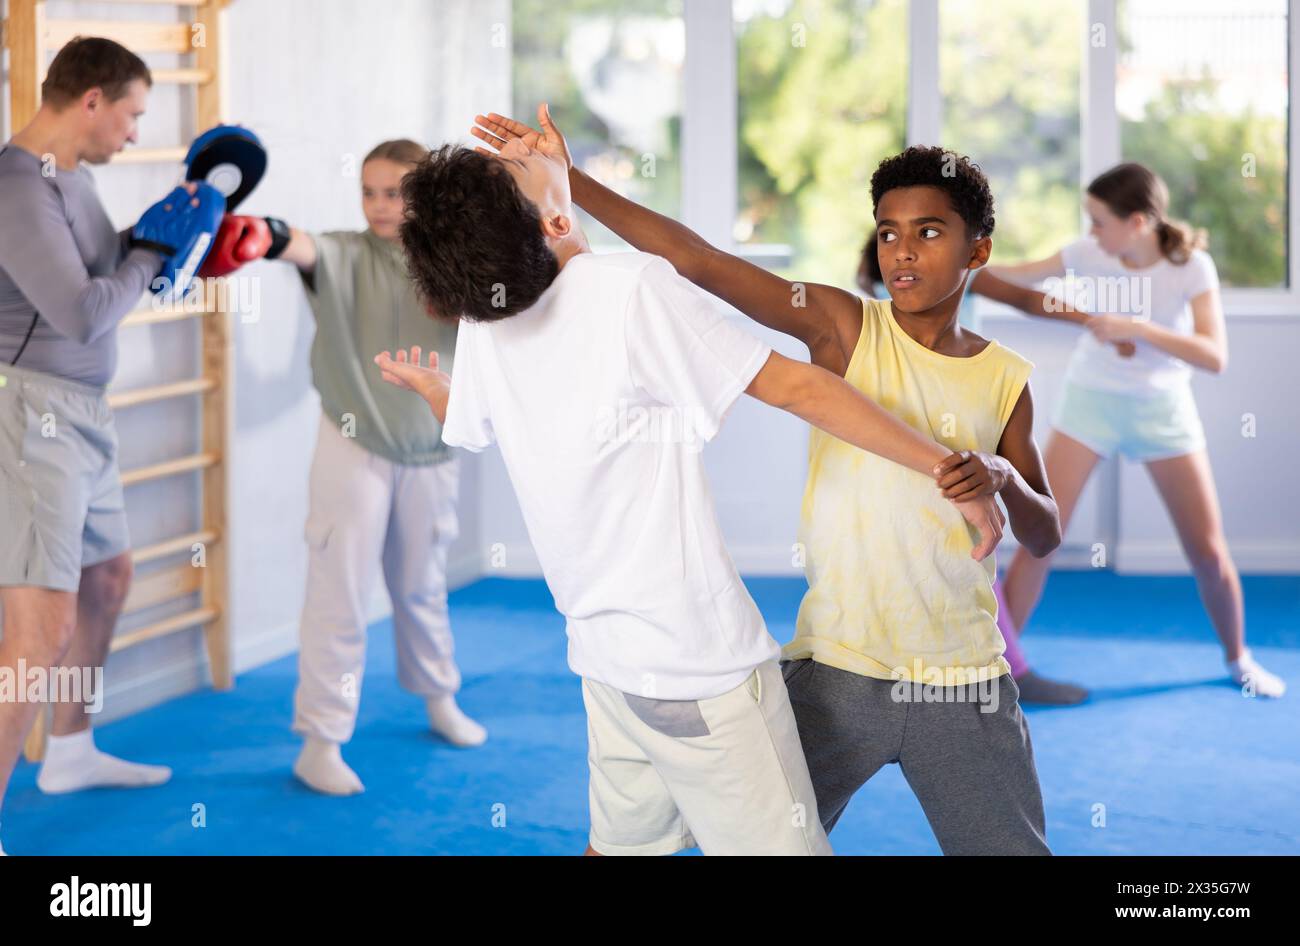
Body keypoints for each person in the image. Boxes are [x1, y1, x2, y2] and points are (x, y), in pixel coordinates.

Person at [374, 110, 1007, 855]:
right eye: (514, 173)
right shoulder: (627, 289)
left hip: (606, 665)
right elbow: (797, 389)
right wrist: (949, 469)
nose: (523, 159)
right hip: (699, 671)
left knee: (619, 847)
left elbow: (483, 419)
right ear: (544, 215)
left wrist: (435, 389)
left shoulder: (490, 315)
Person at [0, 37, 216, 855]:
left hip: (84, 410)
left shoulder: (72, 183)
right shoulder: (17, 187)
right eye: (130, 115)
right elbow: (84, 311)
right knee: (38, 631)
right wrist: (156, 253)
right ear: (91, 100)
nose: (132, 134)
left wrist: (158, 235)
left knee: (108, 580)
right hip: (30, 416)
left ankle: (71, 750)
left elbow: (96, 270)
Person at [972, 163, 1285, 699]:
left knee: (1207, 550)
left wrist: (1137, 328)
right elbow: (1011, 274)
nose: (1091, 232)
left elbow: (1214, 357)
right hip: (1089, 403)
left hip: (1163, 409)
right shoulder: (1086, 253)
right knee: (1040, 538)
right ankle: (1001, 670)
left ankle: (1239, 660)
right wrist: (961, 252)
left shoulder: (1191, 268)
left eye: (1099, 221)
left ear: (1137, 221)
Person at [235, 140, 484, 796]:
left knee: (422, 585)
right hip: (354, 444)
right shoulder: (344, 253)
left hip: (432, 448)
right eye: (369, 191)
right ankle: (320, 741)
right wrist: (259, 233)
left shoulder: (454, 265)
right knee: (338, 592)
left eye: (395, 192)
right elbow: (299, 245)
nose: (379, 205)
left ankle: (438, 699)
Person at [859, 232, 1088, 705]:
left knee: (974, 553)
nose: (908, 254)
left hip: (968, 424)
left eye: (929, 235)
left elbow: (1027, 298)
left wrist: (1091, 320)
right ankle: (998, 669)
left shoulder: (965, 279)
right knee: (951, 554)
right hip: (913, 438)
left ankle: (1005, 666)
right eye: (892, 236)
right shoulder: (878, 307)